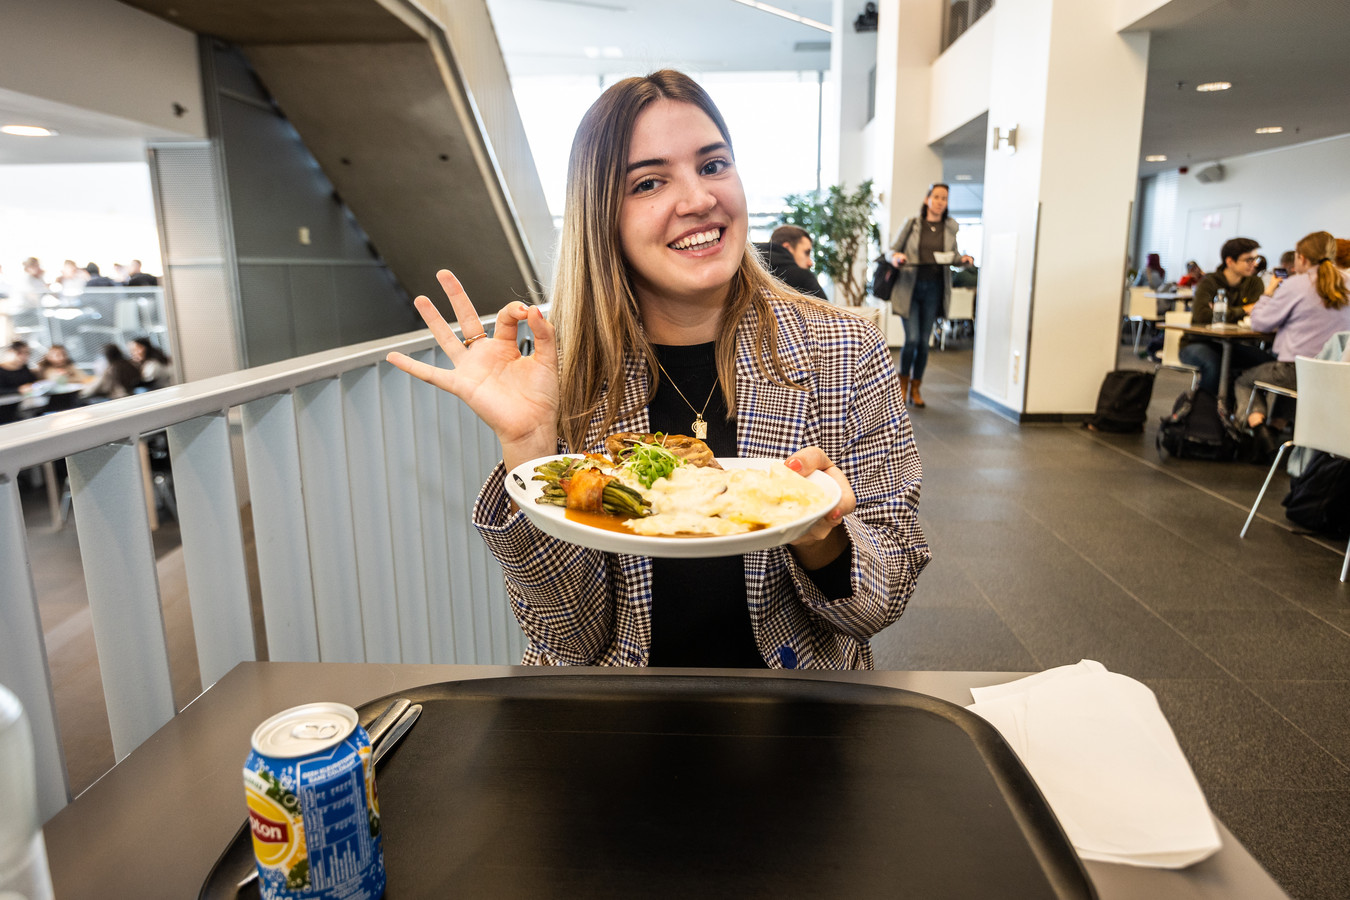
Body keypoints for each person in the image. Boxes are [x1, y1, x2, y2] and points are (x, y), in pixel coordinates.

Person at [387, 70, 929, 670]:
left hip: (801, 710)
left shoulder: (844, 348)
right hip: (618, 719)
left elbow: (885, 599)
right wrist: (530, 448)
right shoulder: (561, 367)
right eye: (649, 182)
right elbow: (571, 640)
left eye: (714, 165)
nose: (698, 199)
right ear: (601, 217)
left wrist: (817, 532)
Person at [1235, 231, 1350, 433]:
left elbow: (1260, 323)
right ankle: (1275, 430)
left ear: (1301, 258)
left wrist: (1268, 292)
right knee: (1290, 383)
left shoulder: (1296, 284)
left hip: (1296, 370)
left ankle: (1259, 430)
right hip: (1335, 373)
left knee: (1244, 380)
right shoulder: (1345, 283)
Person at [887, 183, 973, 408]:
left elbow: (951, 256)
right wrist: (896, 257)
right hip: (910, 288)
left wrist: (962, 260)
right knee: (912, 339)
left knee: (925, 344)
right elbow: (891, 250)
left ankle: (916, 386)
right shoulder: (913, 224)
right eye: (936, 197)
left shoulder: (950, 227)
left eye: (944, 198)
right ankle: (902, 382)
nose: (940, 201)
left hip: (935, 289)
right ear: (927, 200)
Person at [1178, 237, 1270, 401]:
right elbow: (1201, 316)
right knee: (1215, 365)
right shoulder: (1209, 283)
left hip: (1235, 344)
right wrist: (1243, 310)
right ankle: (1206, 414)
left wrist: (1222, 312)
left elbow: (1257, 313)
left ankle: (1249, 415)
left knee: (1268, 362)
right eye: (1248, 260)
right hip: (1198, 342)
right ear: (1230, 261)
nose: (1254, 264)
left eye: (1255, 259)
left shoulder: (1255, 283)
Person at [759, 225, 825, 298]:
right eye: (806, 252)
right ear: (787, 248)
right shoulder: (802, 277)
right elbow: (827, 308)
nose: (810, 263)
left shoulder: (750, 270)